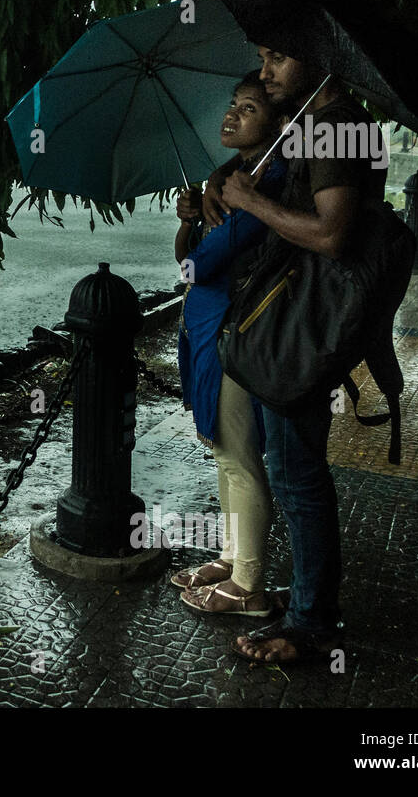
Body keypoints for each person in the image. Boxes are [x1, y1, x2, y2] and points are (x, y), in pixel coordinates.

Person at [205, 46, 388, 664]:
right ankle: (310, 601)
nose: (265, 71)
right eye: (261, 58)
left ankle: (312, 621)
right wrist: (225, 185)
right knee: (292, 467)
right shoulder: (324, 125)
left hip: (308, 327)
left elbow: (332, 235)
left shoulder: (337, 127)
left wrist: (252, 203)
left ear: (324, 60)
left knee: (298, 474)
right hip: (310, 324)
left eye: (281, 58)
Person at [170, 73, 286, 616]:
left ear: (279, 122)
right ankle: (233, 557)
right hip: (208, 328)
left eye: (249, 109)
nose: (232, 116)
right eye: (232, 105)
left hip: (233, 335)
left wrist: (211, 227)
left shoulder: (268, 181)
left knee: (241, 457)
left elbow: (203, 263)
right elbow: (186, 256)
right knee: (223, 453)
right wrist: (192, 220)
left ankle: (250, 588)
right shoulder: (235, 177)